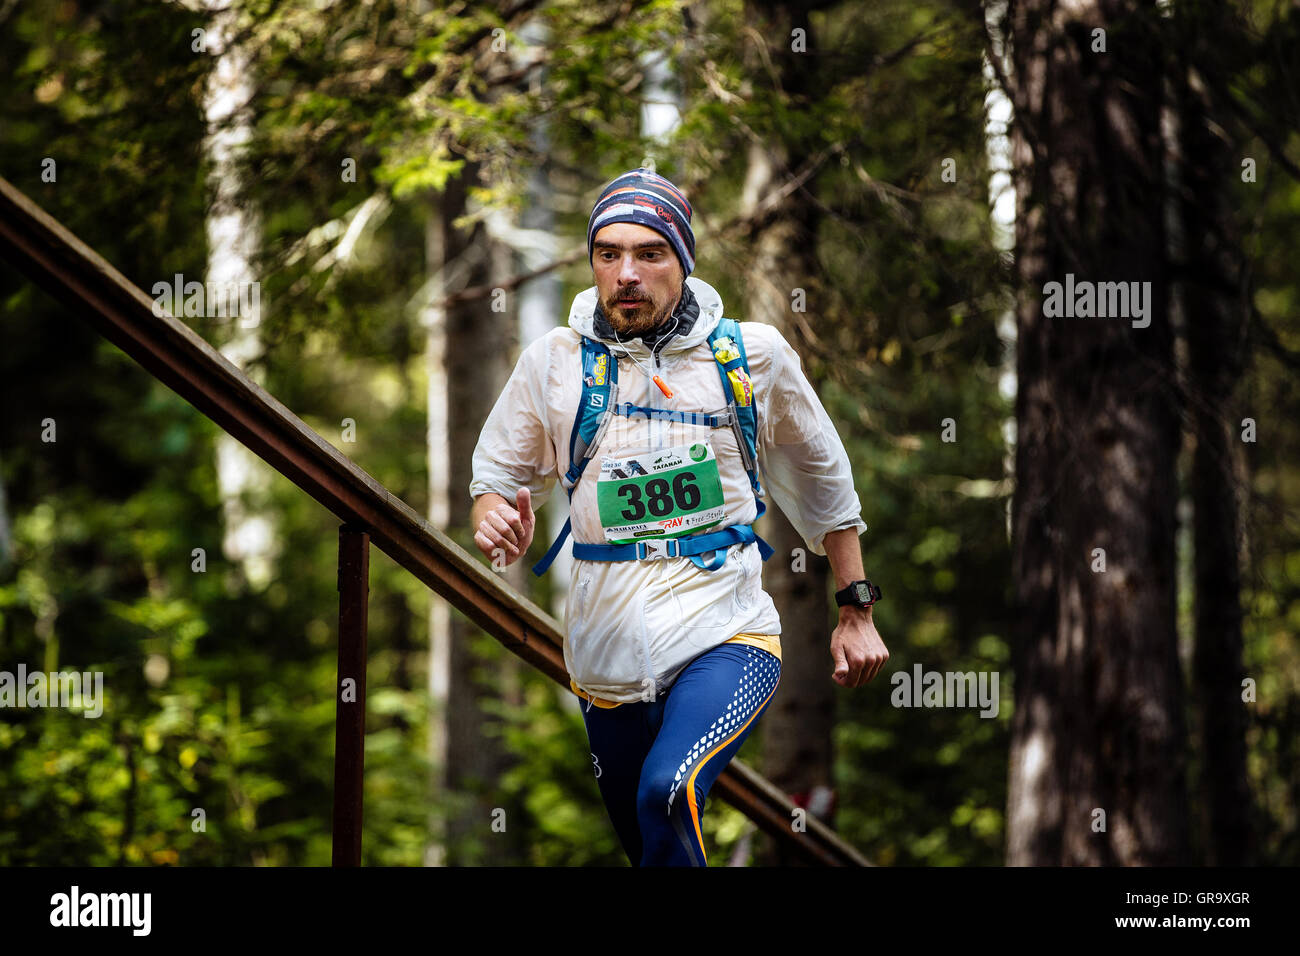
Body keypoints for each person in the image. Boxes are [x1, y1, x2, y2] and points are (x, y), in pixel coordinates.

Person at [469, 167, 888, 866]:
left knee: (666, 792)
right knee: (651, 844)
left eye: (649, 253)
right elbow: (500, 477)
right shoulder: (556, 362)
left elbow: (825, 487)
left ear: (683, 262)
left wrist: (856, 610)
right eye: (609, 254)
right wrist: (494, 517)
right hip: (604, 656)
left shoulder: (750, 355)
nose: (626, 273)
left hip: (727, 631)